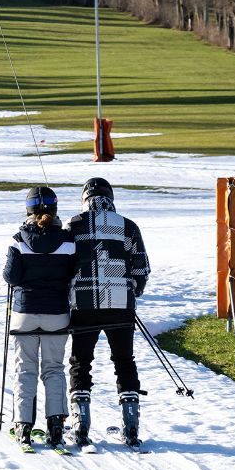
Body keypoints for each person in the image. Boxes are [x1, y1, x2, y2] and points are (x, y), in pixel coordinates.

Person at [67, 177, 150, 447]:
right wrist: (134, 291)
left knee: (81, 362)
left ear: (84, 199)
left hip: (84, 305)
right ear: (111, 199)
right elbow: (141, 269)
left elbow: (64, 266)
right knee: (124, 361)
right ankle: (131, 426)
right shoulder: (128, 226)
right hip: (121, 305)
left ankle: (80, 424)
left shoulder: (73, 225)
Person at [2, 186, 76, 449]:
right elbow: (71, 274)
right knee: (54, 369)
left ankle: (23, 426)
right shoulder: (68, 241)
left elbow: (11, 277)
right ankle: (56, 426)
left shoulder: (19, 240)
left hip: (26, 312)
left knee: (25, 369)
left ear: (28, 209)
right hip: (57, 312)